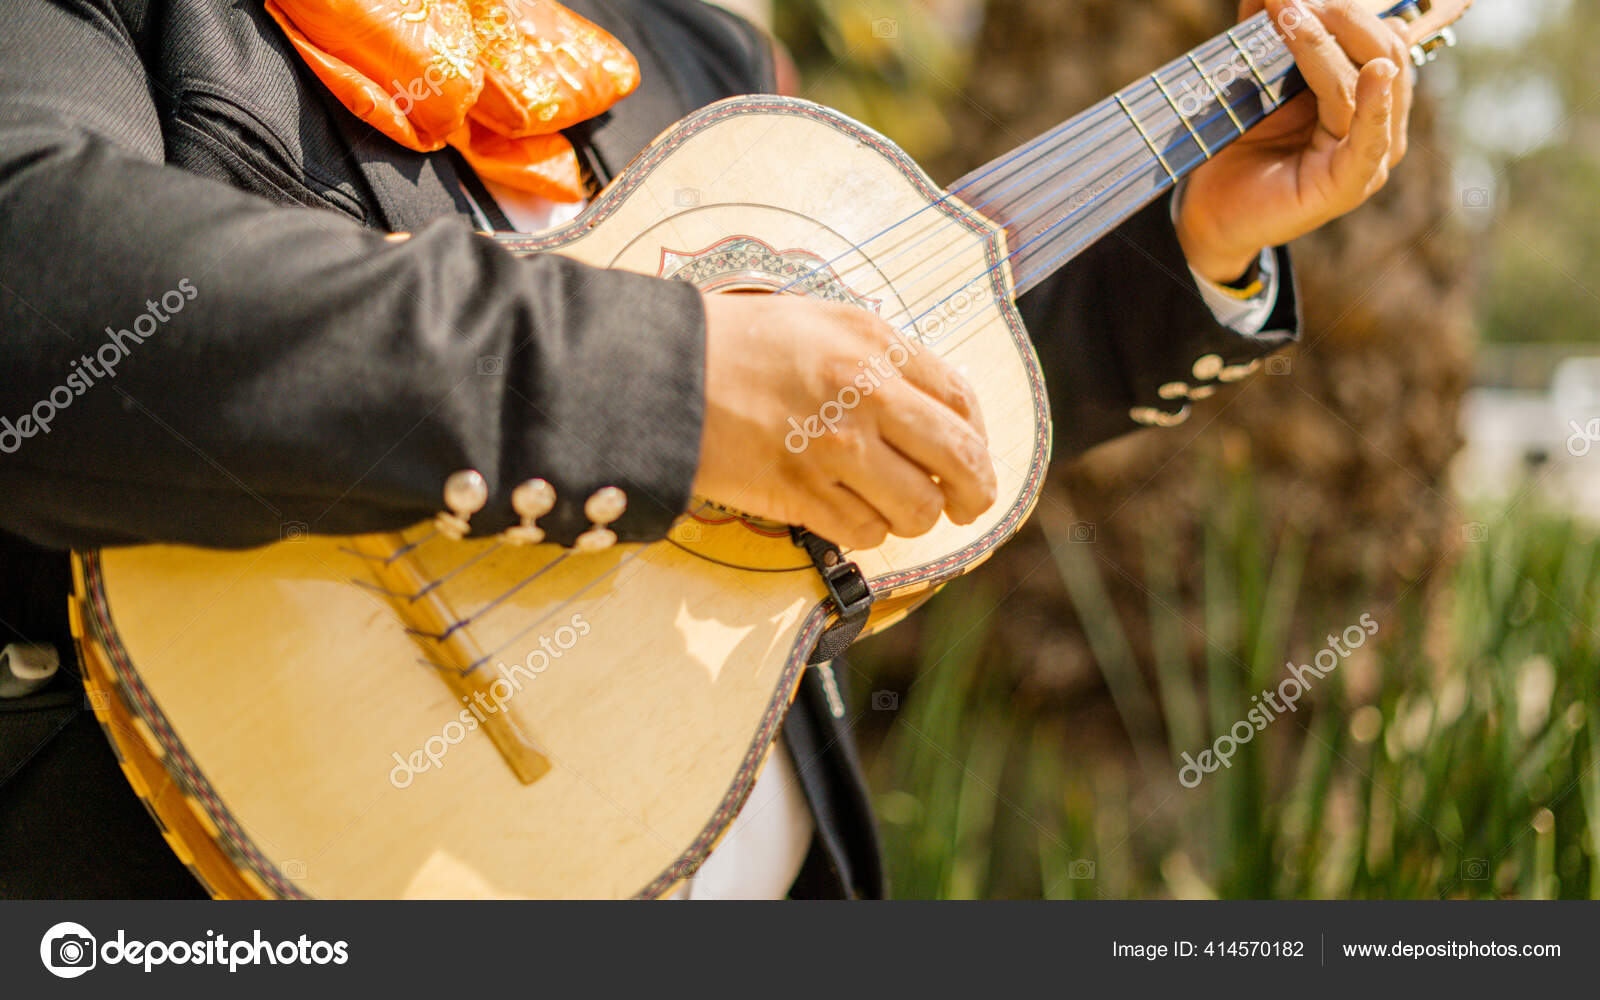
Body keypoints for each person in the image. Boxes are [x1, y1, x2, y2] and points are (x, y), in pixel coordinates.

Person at [0, 0, 1415, 898]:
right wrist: (673, 381)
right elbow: (42, 276)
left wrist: (1196, 240)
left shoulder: (690, 48)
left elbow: (865, 404)